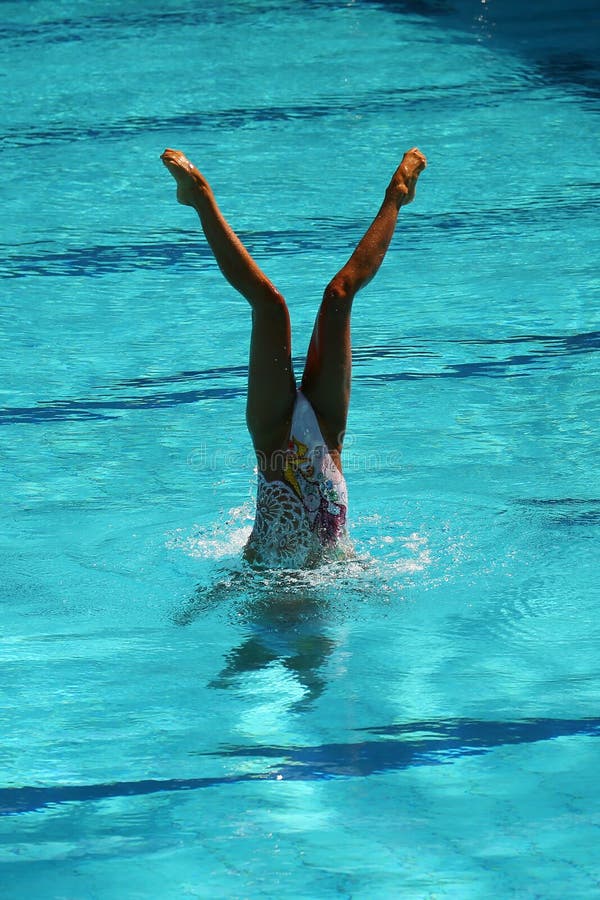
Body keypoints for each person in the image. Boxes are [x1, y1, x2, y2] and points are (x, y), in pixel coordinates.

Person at [161, 146, 427, 569]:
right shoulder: (331, 568)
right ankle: (396, 195)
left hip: (274, 438)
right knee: (338, 295)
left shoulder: (265, 568)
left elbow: (247, 568)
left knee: (269, 305)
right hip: (326, 429)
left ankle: (198, 198)